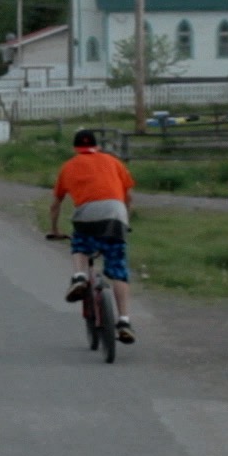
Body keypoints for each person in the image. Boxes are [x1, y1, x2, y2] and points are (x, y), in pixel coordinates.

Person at [49, 128, 137, 344]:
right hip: (116, 215)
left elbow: (56, 204)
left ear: (76, 148)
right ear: (96, 146)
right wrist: (125, 221)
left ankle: (79, 276)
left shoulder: (69, 166)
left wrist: (55, 229)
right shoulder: (113, 162)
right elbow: (129, 195)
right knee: (118, 271)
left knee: (80, 245)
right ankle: (124, 321)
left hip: (86, 214)